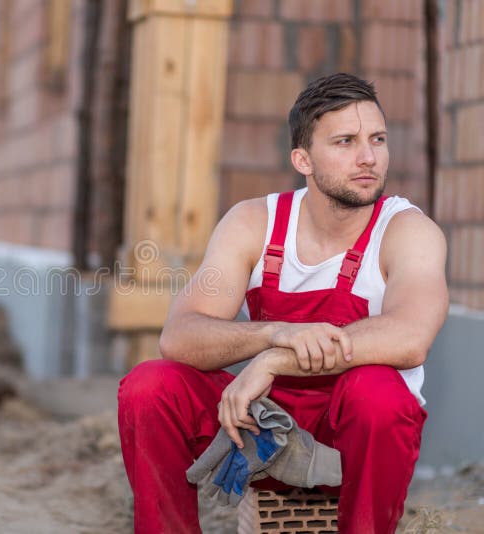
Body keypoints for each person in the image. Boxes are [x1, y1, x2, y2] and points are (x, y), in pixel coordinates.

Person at [117, 73, 448, 533]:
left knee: (378, 392)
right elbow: (180, 335)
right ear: (303, 159)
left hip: (351, 445)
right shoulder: (254, 222)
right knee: (150, 386)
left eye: (377, 139)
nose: (369, 157)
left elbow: (411, 337)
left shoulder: (408, 230)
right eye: (345, 142)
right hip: (259, 433)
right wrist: (275, 331)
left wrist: (274, 360)